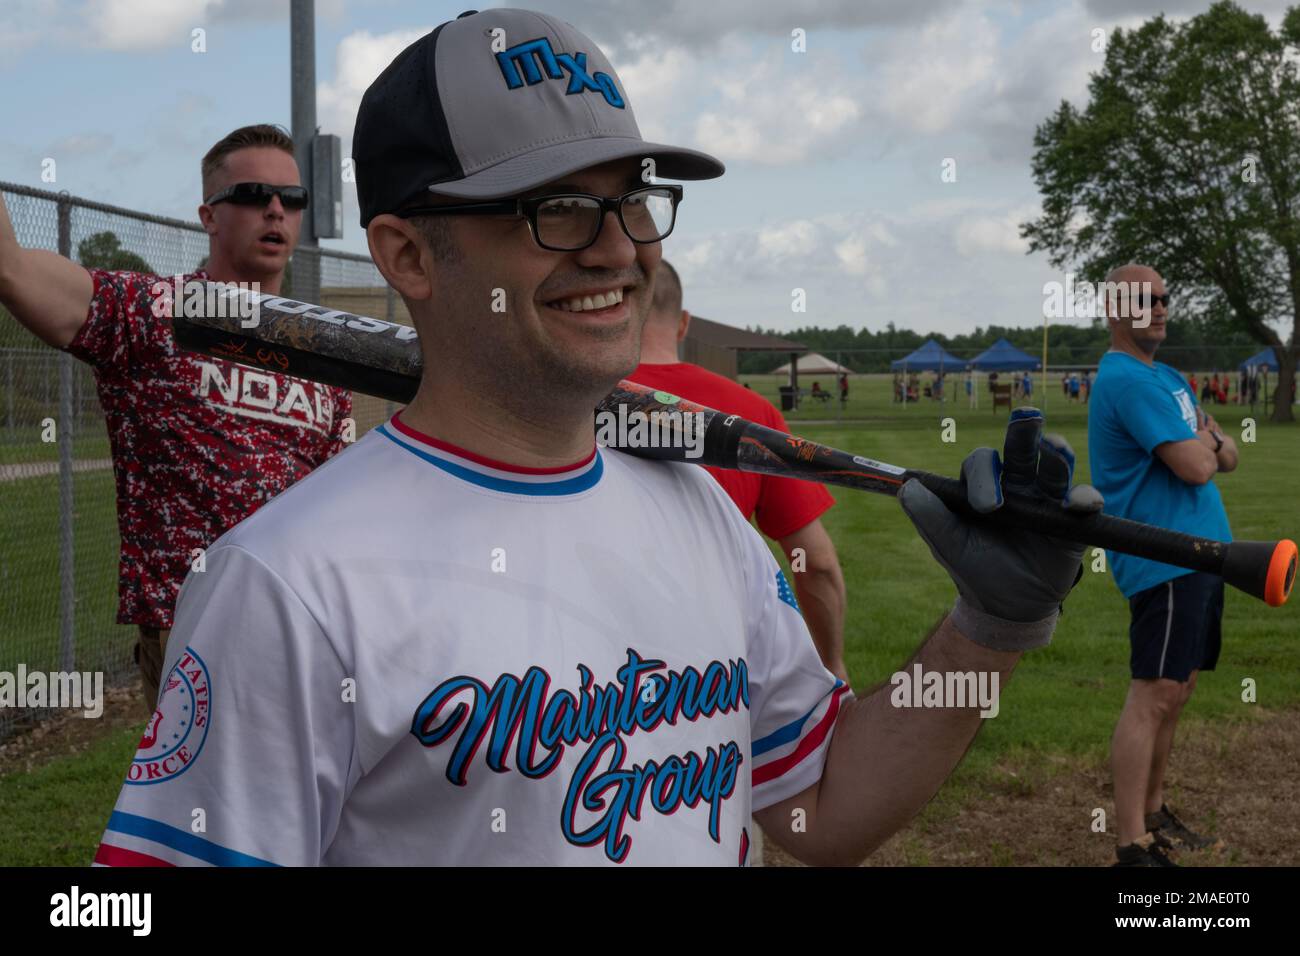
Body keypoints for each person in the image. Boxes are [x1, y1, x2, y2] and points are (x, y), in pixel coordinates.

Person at [92, 9, 1101, 868]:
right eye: (558, 208)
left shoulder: (699, 512)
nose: (618, 244)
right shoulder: (285, 584)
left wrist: (987, 629)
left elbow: (818, 802)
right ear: (407, 253)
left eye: (630, 198)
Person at [0, 123, 353, 715]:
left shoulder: (322, 346)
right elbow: (12, 270)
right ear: (209, 215)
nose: (275, 209)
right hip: (195, 627)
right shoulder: (151, 314)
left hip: (308, 626)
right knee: (215, 808)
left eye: (292, 200)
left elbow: (343, 505)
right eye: (251, 194)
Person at [629, 259, 848, 680]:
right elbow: (814, 563)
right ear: (683, 323)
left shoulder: (576, 406)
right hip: (720, 665)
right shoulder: (752, 412)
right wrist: (832, 665)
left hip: (596, 660)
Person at [1088, 264, 1238, 867]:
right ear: (1115, 311)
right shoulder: (1127, 381)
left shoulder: (1167, 376)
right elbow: (1200, 464)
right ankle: (1131, 844)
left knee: (1178, 689)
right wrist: (1206, 442)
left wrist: (1208, 442)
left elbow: (1225, 453)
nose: (1159, 307)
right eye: (1144, 300)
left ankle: (1153, 813)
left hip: (1202, 556)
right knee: (1152, 694)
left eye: (1164, 297)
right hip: (1165, 560)